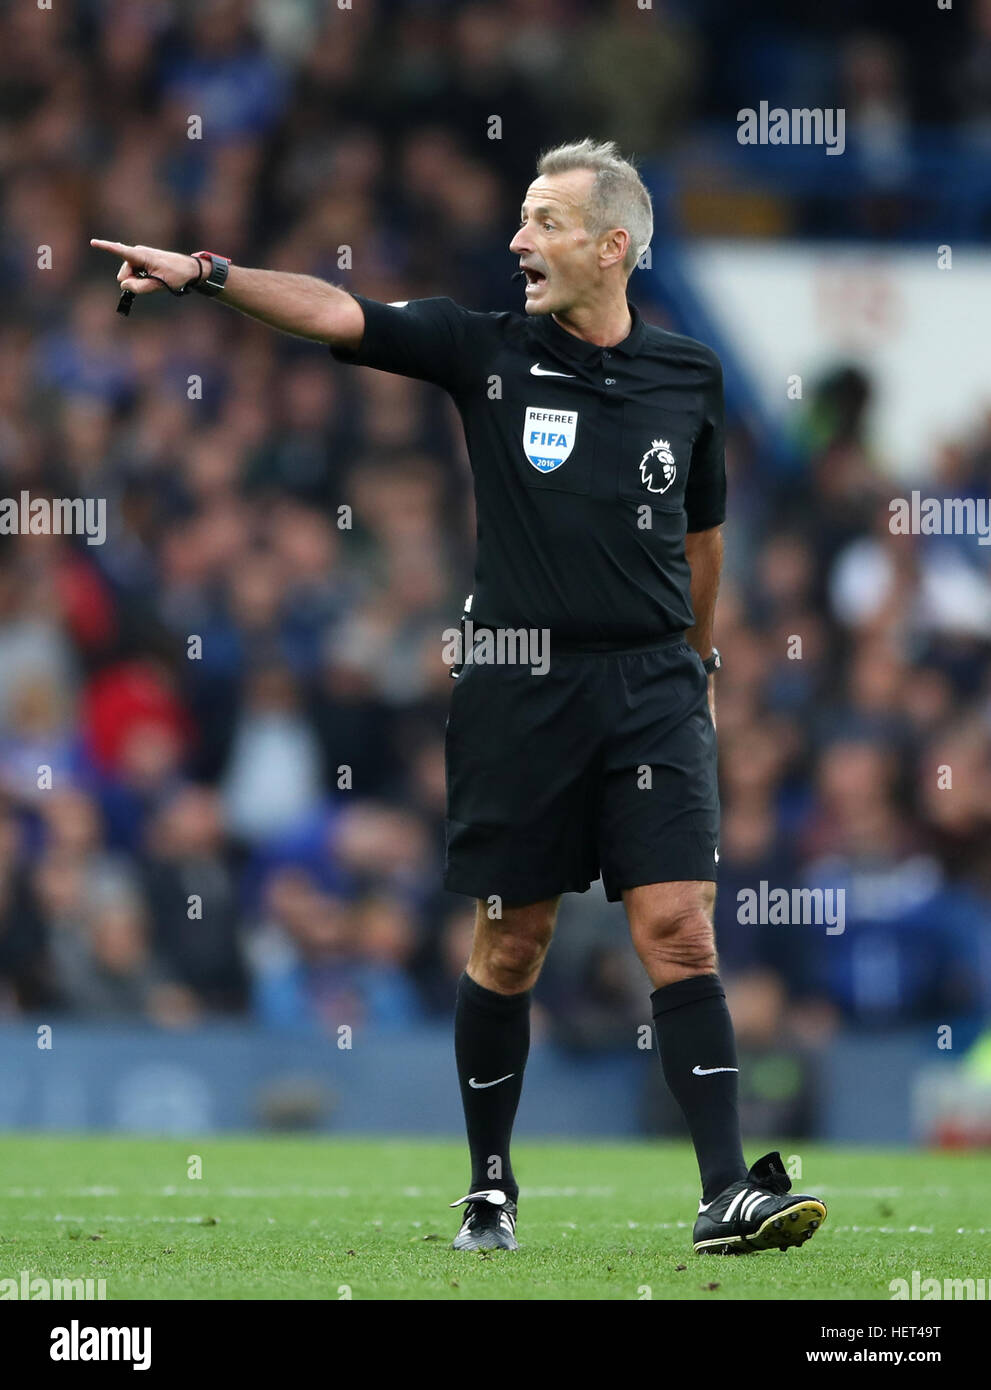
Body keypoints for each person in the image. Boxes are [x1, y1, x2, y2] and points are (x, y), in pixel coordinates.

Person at [91, 137, 826, 1256]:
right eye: (522, 216)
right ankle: (489, 1183)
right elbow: (341, 313)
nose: (519, 239)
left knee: (678, 928)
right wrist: (211, 274)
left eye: (546, 221)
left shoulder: (691, 374)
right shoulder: (484, 350)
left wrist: (703, 663)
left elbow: (704, 533)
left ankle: (726, 1189)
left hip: (653, 684)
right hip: (519, 683)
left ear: (612, 247)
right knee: (512, 943)